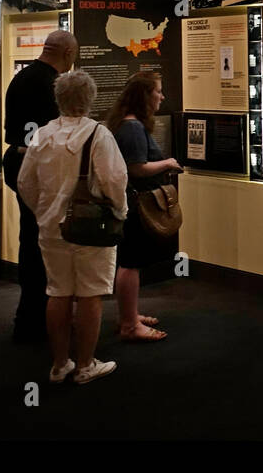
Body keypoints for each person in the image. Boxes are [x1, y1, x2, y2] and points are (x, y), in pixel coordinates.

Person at [17, 70, 128, 385]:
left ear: (58, 99)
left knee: (57, 292)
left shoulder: (41, 134)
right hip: (92, 228)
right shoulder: (99, 135)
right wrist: (120, 210)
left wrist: (43, 210)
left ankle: (58, 363)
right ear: (90, 99)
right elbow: (114, 181)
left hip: (51, 228)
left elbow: (25, 182)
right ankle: (85, 365)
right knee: (90, 295)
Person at [2, 30, 78, 343]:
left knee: (30, 239)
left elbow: (13, 134)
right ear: (69, 54)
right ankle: (45, 320)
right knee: (47, 246)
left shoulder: (20, 79)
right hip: (43, 173)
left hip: (20, 167)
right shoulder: (55, 86)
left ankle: (28, 316)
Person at [105, 71, 182, 342]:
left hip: (127, 201)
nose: (162, 96)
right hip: (135, 204)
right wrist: (168, 163)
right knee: (131, 263)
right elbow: (137, 168)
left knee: (129, 262)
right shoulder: (133, 127)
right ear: (144, 96)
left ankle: (129, 314)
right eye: (158, 91)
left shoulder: (124, 124)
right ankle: (129, 324)